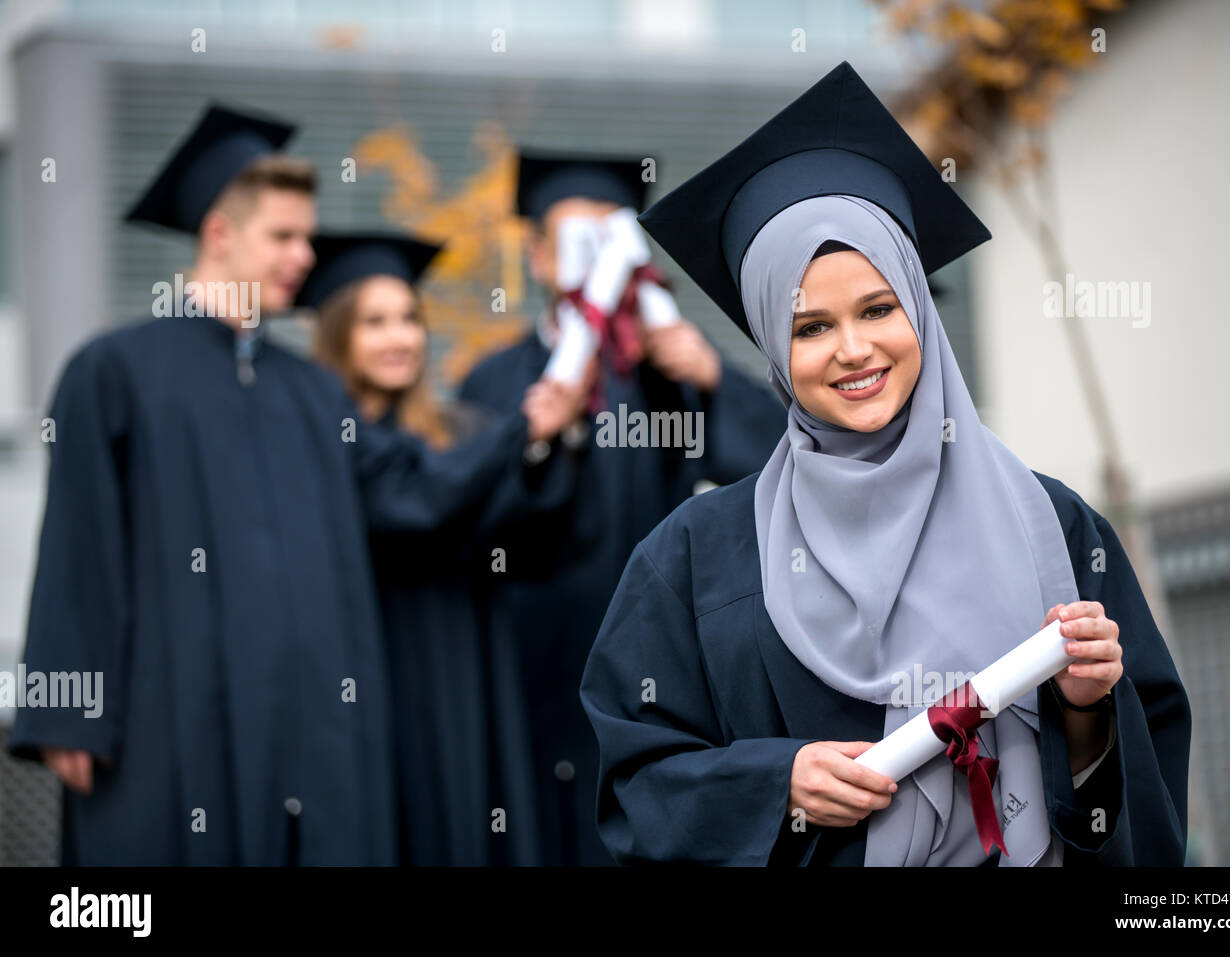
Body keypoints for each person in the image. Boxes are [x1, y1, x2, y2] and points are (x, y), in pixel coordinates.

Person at [579, 62, 1192, 866]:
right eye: (811, 328)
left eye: (879, 308)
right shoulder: (694, 559)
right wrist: (777, 784)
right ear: (771, 346)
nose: (854, 348)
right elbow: (634, 790)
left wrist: (1084, 714)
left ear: (921, 313)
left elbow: (1142, 808)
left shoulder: (1057, 526)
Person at [7, 105, 577, 865]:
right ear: (219, 235)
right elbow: (78, 546)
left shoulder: (312, 392)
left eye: (304, 237)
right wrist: (68, 710)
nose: (303, 256)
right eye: (283, 236)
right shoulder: (115, 372)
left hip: (310, 727)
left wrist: (524, 431)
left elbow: (409, 491)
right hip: (168, 716)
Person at [457, 149, 788, 864]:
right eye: (577, 243)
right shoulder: (493, 382)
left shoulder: (667, 373)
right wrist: (542, 431)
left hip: (655, 643)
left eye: (611, 240)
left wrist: (713, 379)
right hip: (535, 647)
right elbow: (479, 513)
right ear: (539, 256)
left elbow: (768, 471)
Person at [301, 232, 585, 865]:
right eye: (375, 322)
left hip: (464, 658)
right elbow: (412, 503)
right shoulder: (321, 440)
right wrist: (521, 430)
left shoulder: (460, 431)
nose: (400, 337)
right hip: (371, 665)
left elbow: (528, 534)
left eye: (409, 319)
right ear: (338, 333)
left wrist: (542, 451)